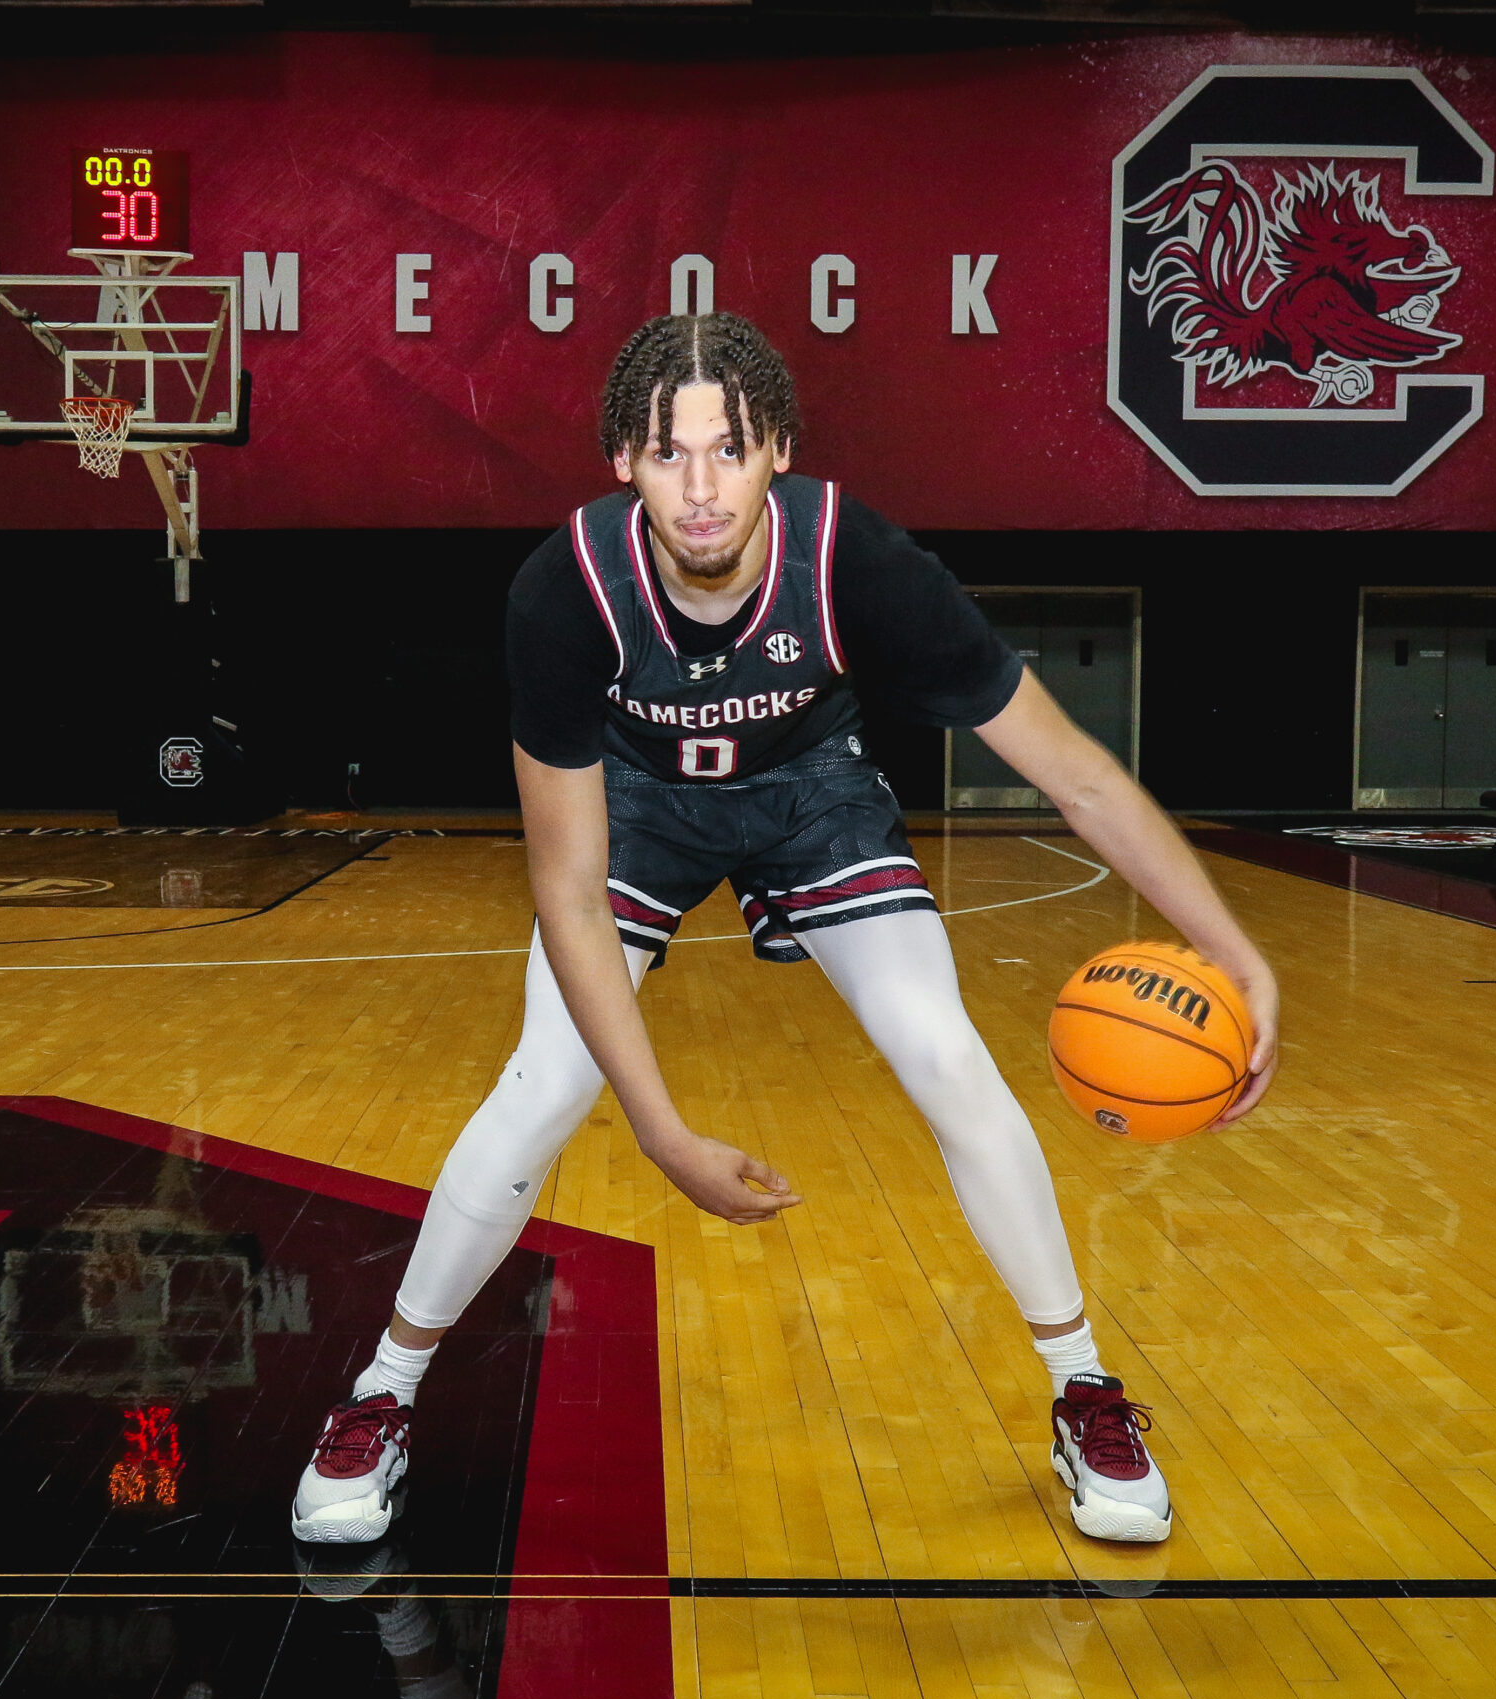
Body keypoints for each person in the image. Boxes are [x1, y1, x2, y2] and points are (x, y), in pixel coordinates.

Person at [292, 313, 1278, 1547]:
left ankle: (1084, 1389)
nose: (700, 488)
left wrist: (1234, 954)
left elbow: (1075, 775)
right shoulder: (565, 589)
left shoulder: (855, 558)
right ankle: (382, 1393)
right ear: (620, 462)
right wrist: (659, 1132)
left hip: (813, 793)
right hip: (637, 806)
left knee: (944, 1052)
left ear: (779, 453)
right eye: (667, 454)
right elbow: (566, 885)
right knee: (544, 1084)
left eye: (729, 449)